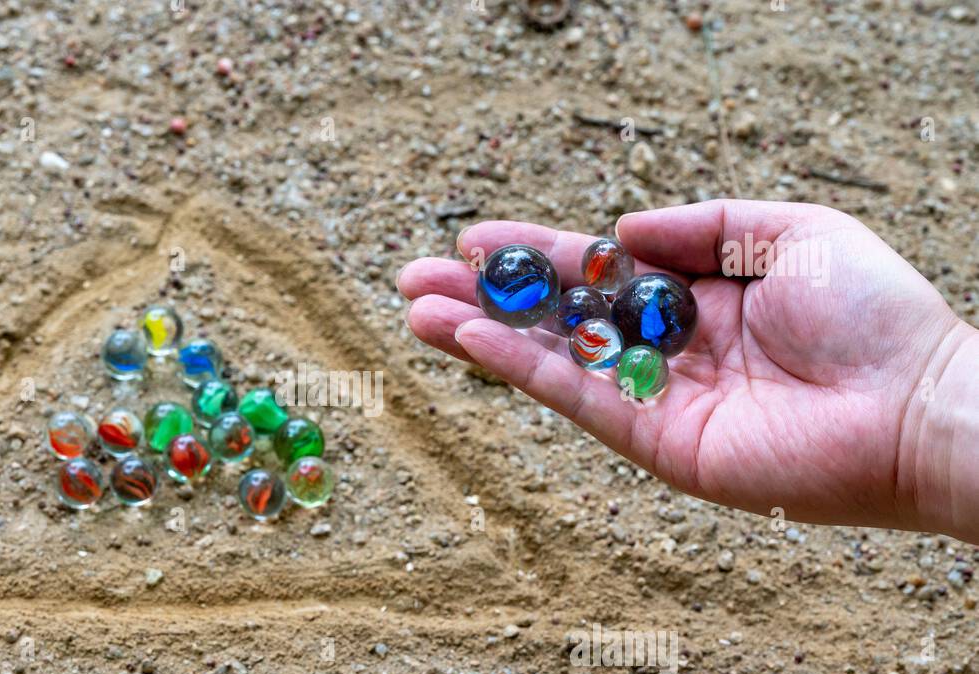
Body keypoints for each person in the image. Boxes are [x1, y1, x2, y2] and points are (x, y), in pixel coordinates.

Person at [397, 199, 978, 545]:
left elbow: (635, 319)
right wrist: (922, 401)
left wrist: (927, 375)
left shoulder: (645, 307)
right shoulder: (583, 306)